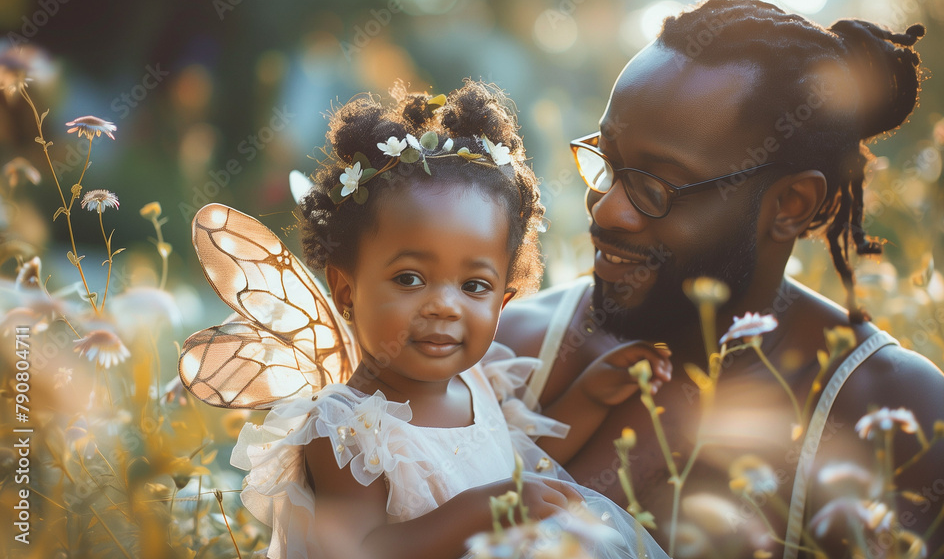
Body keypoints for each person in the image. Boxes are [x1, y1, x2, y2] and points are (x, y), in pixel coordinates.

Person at [496, 1, 944, 557]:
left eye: (654, 186)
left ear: (791, 203)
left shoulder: (886, 415)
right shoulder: (517, 353)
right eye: (608, 160)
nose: (604, 211)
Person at [180, 81, 674, 559]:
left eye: (473, 286)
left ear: (502, 303)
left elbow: (516, 461)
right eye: (410, 279)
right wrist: (484, 512)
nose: (444, 306)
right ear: (345, 289)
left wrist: (589, 393)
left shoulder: (476, 383)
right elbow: (356, 551)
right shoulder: (347, 428)